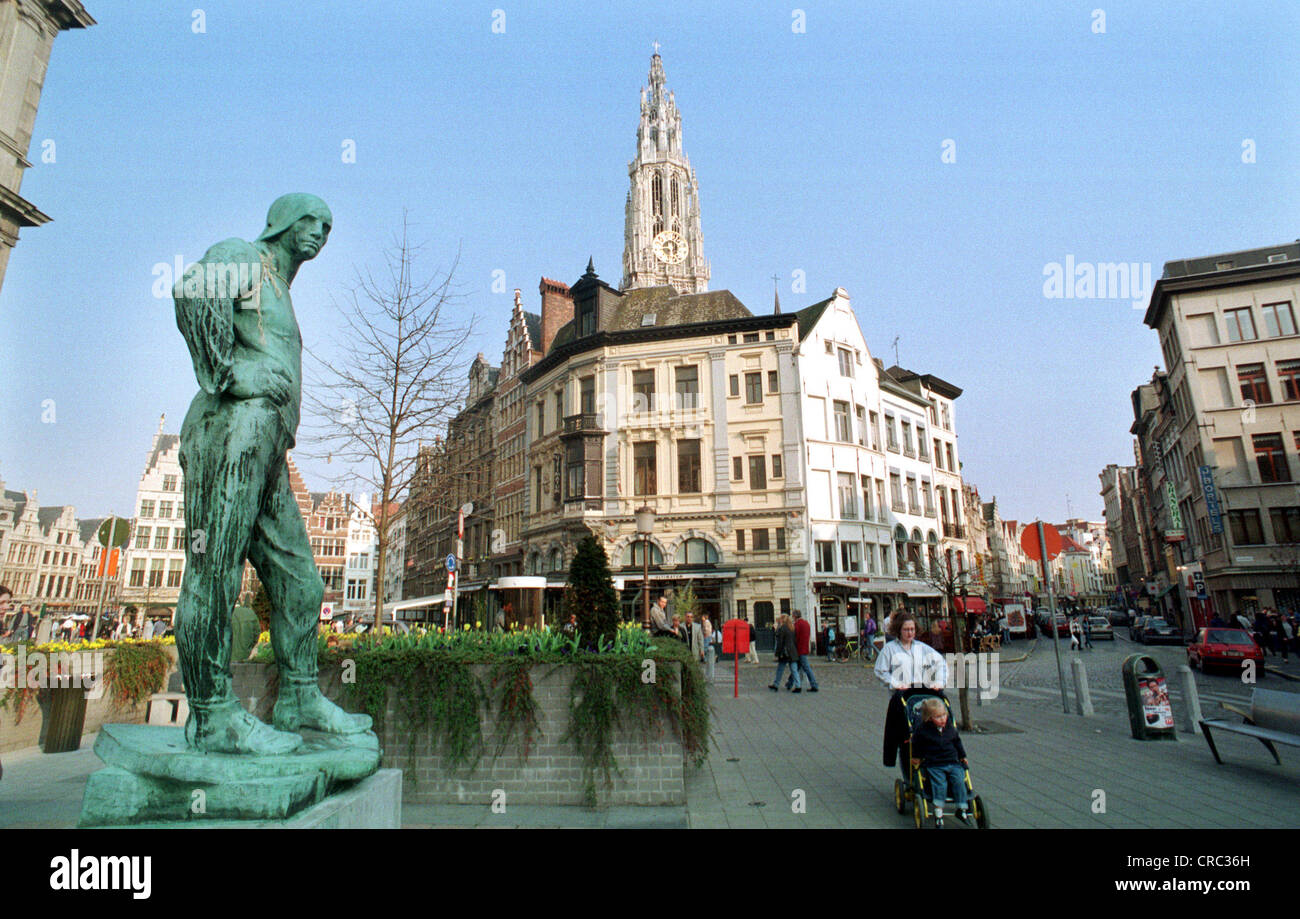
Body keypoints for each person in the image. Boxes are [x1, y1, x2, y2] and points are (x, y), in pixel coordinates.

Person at [172, 193, 369, 754]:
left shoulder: (280, 286)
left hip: (266, 449)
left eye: (328, 226)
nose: (320, 232)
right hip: (231, 430)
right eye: (310, 220)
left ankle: (298, 697)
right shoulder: (243, 255)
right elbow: (193, 290)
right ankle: (211, 713)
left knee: (302, 581)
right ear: (281, 221)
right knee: (215, 569)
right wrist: (230, 370)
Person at [874, 611, 948, 767]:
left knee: (928, 731)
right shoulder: (890, 649)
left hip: (922, 695)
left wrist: (939, 682)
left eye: (912, 629)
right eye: (906, 629)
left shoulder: (922, 648)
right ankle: (908, 768)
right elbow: (880, 670)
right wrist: (894, 683)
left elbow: (941, 663)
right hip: (902, 697)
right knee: (905, 735)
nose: (910, 633)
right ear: (899, 630)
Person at [910, 697, 970, 828]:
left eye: (944, 715)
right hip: (935, 763)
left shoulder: (950, 728)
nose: (942, 719)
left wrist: (962, 755)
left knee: (960, 780)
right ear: (929, 718)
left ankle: (962, 808)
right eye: (938, 717)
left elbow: (957, 742)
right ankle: (938, 811)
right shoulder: (923, 730)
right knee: (939, 784)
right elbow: (917, 744)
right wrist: (917, 757)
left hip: (952, 761)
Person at [784, 610, 819, 692]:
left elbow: (795, 638)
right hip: (805, 647)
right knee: (797, 667)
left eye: (792, 615)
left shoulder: (797, 625)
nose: (792, 617)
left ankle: (814, 684)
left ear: (795, 616)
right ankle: (789, 683)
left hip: (799, 649)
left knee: (805, 667)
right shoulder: (806, 623)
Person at [770, 614, 801, 692]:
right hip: (792, 651)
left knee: (780, 669)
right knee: (794, 669)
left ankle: (776, 684)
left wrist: (777, 653)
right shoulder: (792, 628)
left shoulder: (782, 628)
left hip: (785, 652)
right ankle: (798, 686)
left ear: (782, 620)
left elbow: (780, 642)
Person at [701, 614, 716, 682]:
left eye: (702, 617)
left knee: (705, 647)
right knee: (706, 646)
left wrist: (704, 634)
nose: (702, 618)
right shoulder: (708, 622)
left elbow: (706, 629)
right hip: (708, 635)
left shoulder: (706, 622)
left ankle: (705, 658)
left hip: (707, 635)